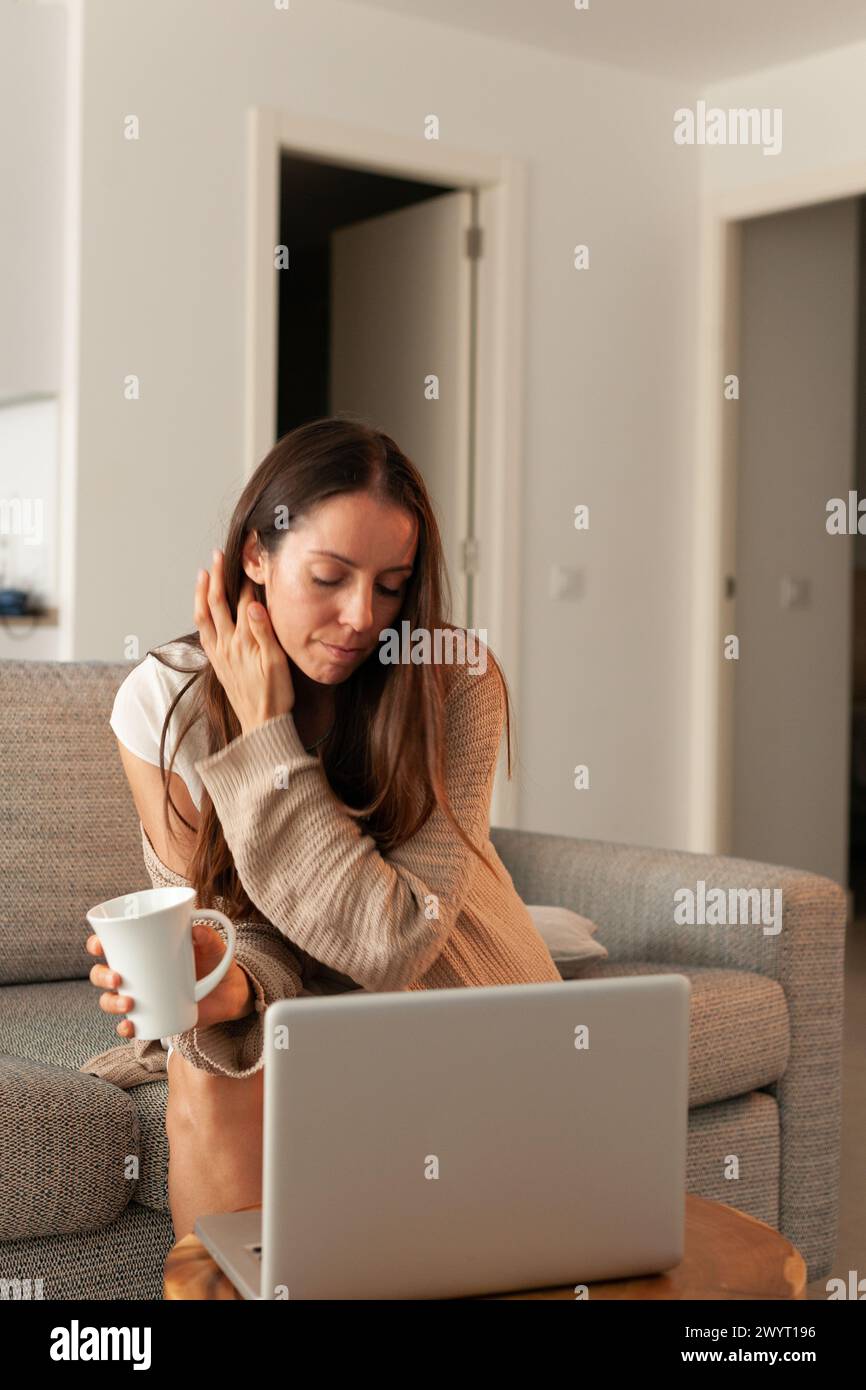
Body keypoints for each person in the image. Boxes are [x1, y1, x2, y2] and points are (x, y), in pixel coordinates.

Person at [80, 416, 561, 1240]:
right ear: (256, 560)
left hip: (443, 980)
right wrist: (222, 982)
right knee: (209, 1068)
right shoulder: (164, 704)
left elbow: (396, 943)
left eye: (390, 584)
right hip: (296, 992)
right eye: (330, 576)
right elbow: (228, 927)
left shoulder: (455, 680)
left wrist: (267, 740)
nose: (358, 618)